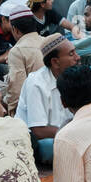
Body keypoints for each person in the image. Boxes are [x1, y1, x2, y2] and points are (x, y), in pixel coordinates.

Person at [15, 33, 78, 164]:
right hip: (37, 142)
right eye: (71, 54)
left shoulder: (71, 77)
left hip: (64, 135)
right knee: (50, 147)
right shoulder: (36, 83)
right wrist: (72, 134)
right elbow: (38, 130)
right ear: (55, 62)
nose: (78, 58)